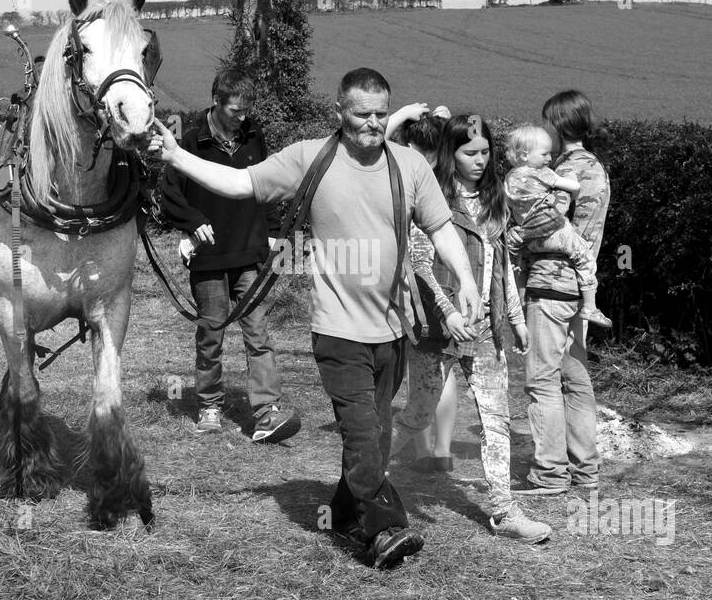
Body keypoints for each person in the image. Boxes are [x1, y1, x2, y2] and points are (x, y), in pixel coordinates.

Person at [150, 68, 483, 570]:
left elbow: (440, 228)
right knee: (363, 435)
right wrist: (177, 155)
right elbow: (241, 183)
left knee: (377, 435)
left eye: (380, 114)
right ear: (340, 112)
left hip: (393, 331)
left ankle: (344, 512)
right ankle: (385, 529)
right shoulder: (311, 157)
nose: (372, 124)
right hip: (336, 331)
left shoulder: (409, 166)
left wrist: (469, 281)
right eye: (361, 114)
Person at [389, 115, 554, 544]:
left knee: (496, 419)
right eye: (470, 153)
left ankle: (503, 511)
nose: (480, 161)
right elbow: (421, 267)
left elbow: (502, 267)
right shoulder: (433, 198)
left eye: (486, 153)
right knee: (417, 415)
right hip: (438, 332)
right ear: (450, 153)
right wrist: (448, 314)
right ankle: (361, 480)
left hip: (485, 331)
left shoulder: (496, 199)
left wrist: (514, 320)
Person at [157, 68, 301, 443]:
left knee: (259, 334)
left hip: (251, 253)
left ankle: (267, 410)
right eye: (235, 110)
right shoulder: (189, 142)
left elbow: (268, 186)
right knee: (211, 334)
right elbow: (169, 194)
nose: (242, 116)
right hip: (208, 256)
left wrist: (273, 235)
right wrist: (193, 222)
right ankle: (209, 404)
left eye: (246, 109)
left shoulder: (255, 136)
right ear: (216, 102)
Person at [515, 90, 609, 497]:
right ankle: (585, 469)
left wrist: (514, 236)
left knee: (542, 380)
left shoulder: (560, 171)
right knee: (574, 375)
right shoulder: (595, 167)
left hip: (551, 283)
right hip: (578, 284)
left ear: (556, 125)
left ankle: (550, 473)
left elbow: (545, 221)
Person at [385, 103, 458, 471]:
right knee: (442, 366)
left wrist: (400, 115)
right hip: (448, 283)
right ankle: (438, 451)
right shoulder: (451, 177)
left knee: (423, 365)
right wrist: (443, 123)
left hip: (419, 284)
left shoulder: (400, 170)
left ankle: (421, 450)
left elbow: (368, 148)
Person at [503, 123, 612, 328]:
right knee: (584, 257)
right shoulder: (542, 173)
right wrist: (567, 181)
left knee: (521, 266)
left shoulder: (509, 179)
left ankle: (519, 306)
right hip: (554, 232)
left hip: (531, 239)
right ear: (525, 155)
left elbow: (506, 207)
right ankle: (590, 306)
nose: (549, 159)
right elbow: (574, 186)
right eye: (544, 154)